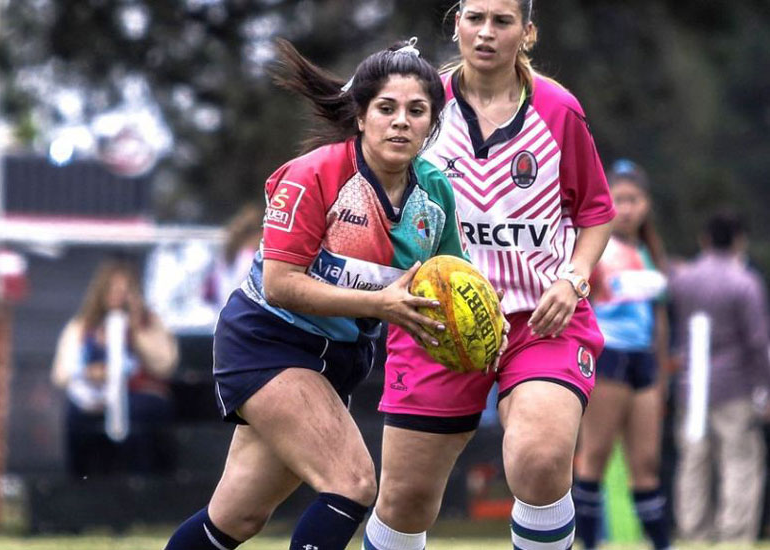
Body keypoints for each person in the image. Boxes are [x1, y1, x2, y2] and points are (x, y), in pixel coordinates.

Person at [164, 37, 464, 550]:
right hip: (268, 342)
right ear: (361, 116)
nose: (400, 122)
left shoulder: (434, 193)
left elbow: (451, 282)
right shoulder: (315, 176)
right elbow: (281, 284)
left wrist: (479, 328)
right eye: (386, 108)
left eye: (417, 111)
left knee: (237, 518)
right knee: (352, 483)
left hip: (341, 358)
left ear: (432, 123)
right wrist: (379, 305)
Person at [364, 2, 615, 549]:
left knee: (541, 460)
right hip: (434, 319)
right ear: (455, 22)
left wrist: (572, 279)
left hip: (540, 319)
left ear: (526, 33)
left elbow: (596, 212)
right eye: (475, 17)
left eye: (502, 21)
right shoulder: (422, 105)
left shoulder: (558, 110)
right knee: (405, 500)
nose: (486, 32)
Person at [571, 160, 672, 550]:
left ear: (646, 204)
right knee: (594, 456)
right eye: (620, 199)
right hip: (607, 357)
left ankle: (663, 544)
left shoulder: (649, 251)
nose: (628, 208)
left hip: (643, 362)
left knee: (646, 464)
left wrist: (662, 371)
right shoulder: (596, 246)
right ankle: (588, 543)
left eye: (635, 200)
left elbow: (659, 316)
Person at [668, 211, 770, 545]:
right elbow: (758, 342)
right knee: (739, 461)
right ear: (739, 240)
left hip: (690, 386)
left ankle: (695, 533)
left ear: (705, 239)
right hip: (734, 387)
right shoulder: (745, 282)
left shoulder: (683, 279)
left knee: (693, 462)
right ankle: (734, 534)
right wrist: (765, 389)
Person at [51, 259, 179, 476]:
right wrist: (89, 374)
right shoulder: (82, 326)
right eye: (113, 289)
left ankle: (142, 480)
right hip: (95, 397)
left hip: (138, 395)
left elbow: (165, 365)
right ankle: (80, 481)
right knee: (76, 416)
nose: (119, 296)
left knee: (139, 413)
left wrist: (137, 333)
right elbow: (61, 374)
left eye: (125, 290)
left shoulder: (150, 324)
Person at [205, 203, 263, 310]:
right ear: (260, 233)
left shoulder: (227, 256)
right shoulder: (250, 259)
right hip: (239, 318)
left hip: (223, 316)